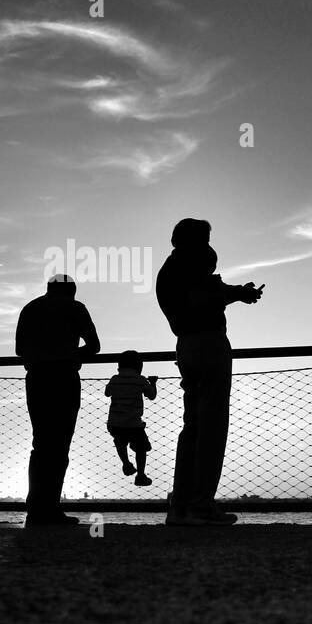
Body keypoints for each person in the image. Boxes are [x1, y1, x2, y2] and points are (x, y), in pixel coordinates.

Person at [156, 219, 262, 526]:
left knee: (194, 427)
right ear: (196, 240)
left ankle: (181, 504)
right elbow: (203, 295)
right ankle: (199, 505)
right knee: (212, 426)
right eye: (206, 238)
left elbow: (205, 291)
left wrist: (236, 292)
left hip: (187, 345)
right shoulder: (194, 261)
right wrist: (236, 294)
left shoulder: (170, 268)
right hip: (207, 343)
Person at [15, 274, 100, 526]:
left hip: (37, 377)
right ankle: (50, 508)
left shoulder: (30, 308)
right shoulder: (75, 308)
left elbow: (20, 350)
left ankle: (36, 508)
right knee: (60, 444)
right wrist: (70, 354)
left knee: (40, 443)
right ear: (72, 291)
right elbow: (94, 345)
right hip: (64, 377)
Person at [105, 350, 157, 487]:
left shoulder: (115, 379)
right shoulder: (140, 380)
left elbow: (106, 393)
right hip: (134, 424)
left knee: (120, 442)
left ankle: (126, 463)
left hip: (115, 423)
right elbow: (151, 395)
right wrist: (153, 383)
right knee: (141, 449)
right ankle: (140, 475)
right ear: (139, 366)